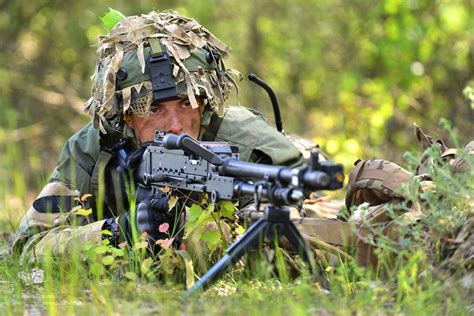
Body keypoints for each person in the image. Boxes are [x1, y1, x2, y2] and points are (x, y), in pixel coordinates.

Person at [13, 10, 305, 265]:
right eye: (152, 109)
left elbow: (289, 244)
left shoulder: (245, 143)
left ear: (204, 102)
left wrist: (196, 231)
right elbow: (30, 247)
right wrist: (117, 232)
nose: (175, 126)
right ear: (126, 115)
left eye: (186, 103)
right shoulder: (95, 149)